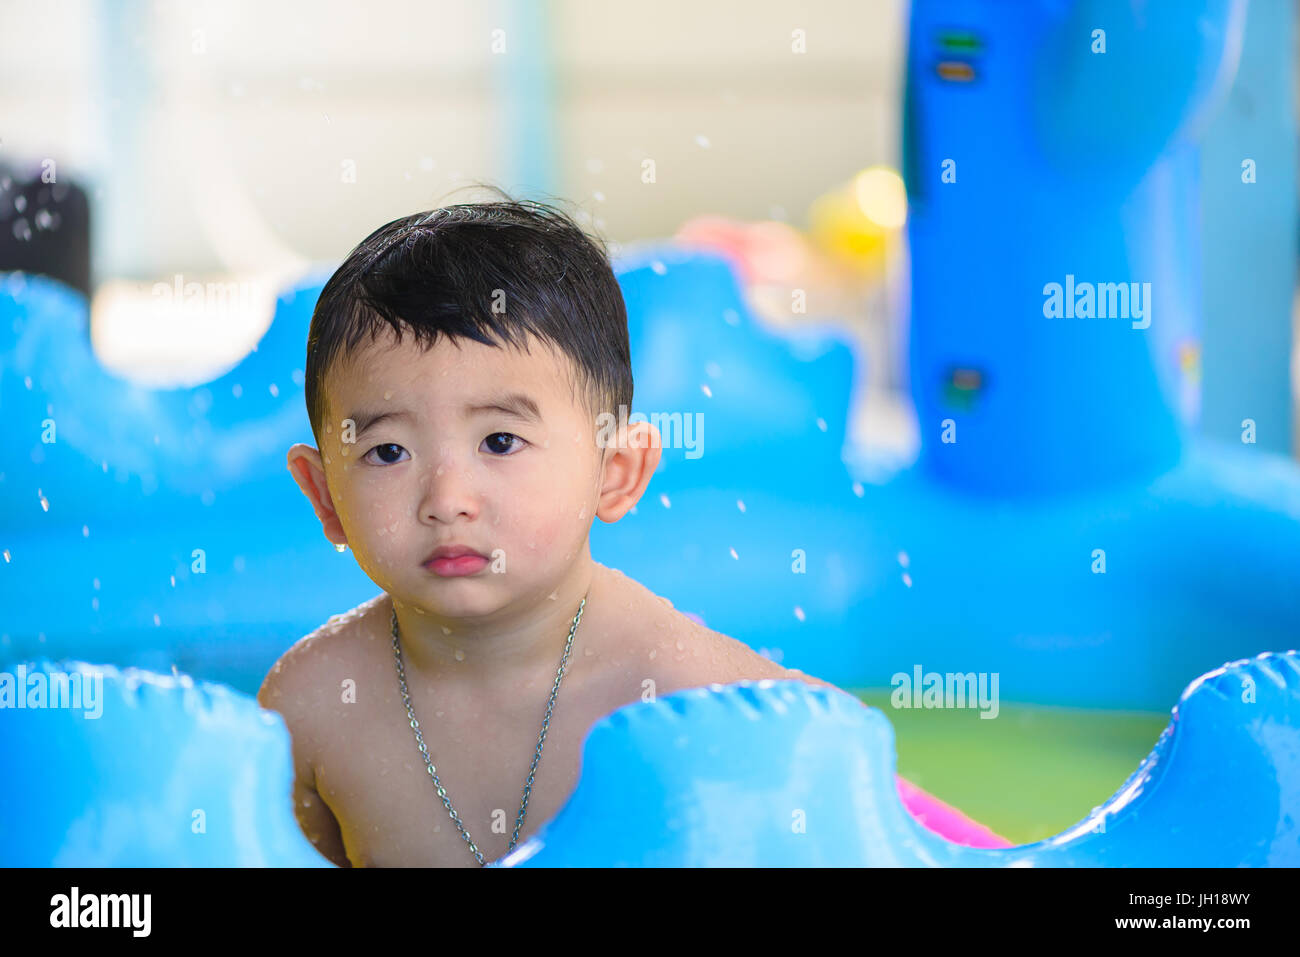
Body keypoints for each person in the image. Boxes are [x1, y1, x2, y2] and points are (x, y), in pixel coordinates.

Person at [257, 190, 840, 867]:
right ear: (324, 496)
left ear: (616, 470)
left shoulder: (688, 692)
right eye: (388, 451)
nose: (447, 500)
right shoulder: (311, 706)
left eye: (500, 441)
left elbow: (843, 774)